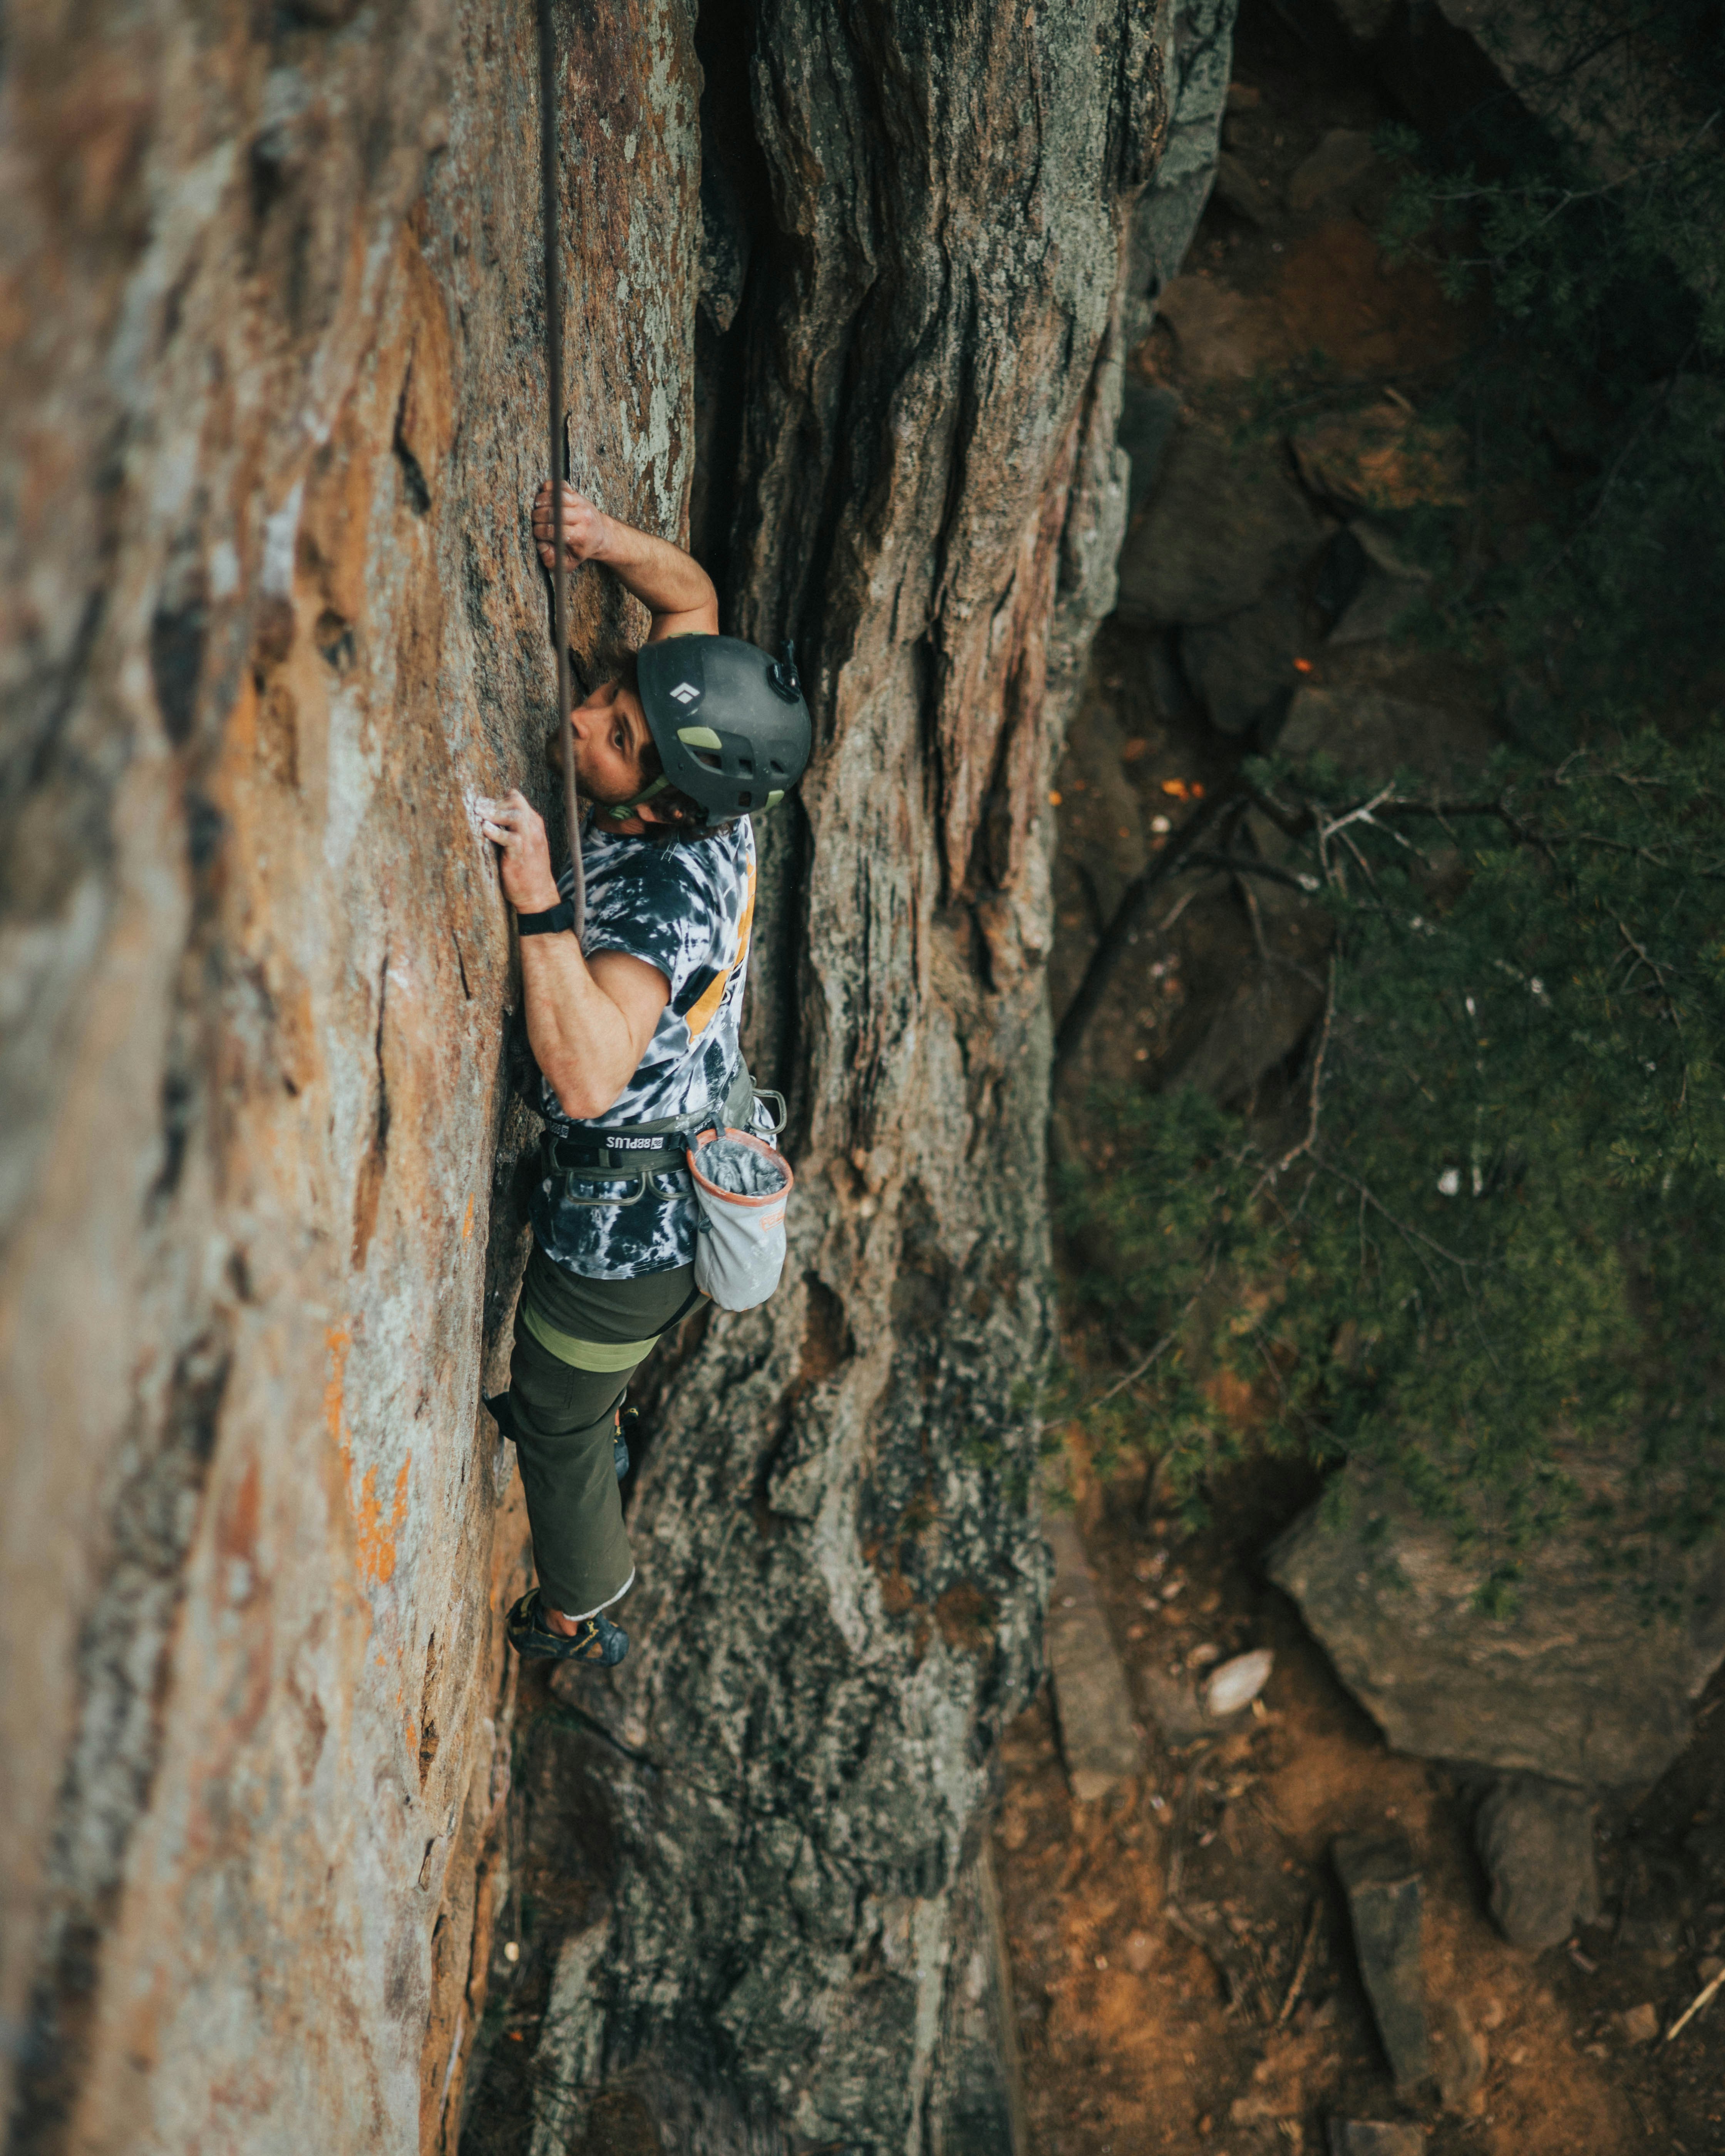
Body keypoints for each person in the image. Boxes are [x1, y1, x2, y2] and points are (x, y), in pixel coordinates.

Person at [477, 480, 810, 1667]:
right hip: (683, 1171)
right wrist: (605, 541)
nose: (586, 721)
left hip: (629, 1243)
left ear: (669, 803)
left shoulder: (661, 901)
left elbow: (586, 1073)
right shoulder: (710, 785)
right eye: (617, 699)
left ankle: (579, 1611)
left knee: (557, 1416)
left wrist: (537, 905)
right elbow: (696, 602)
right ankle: (598, 1413)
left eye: (617, 739)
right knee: (581, 1390)